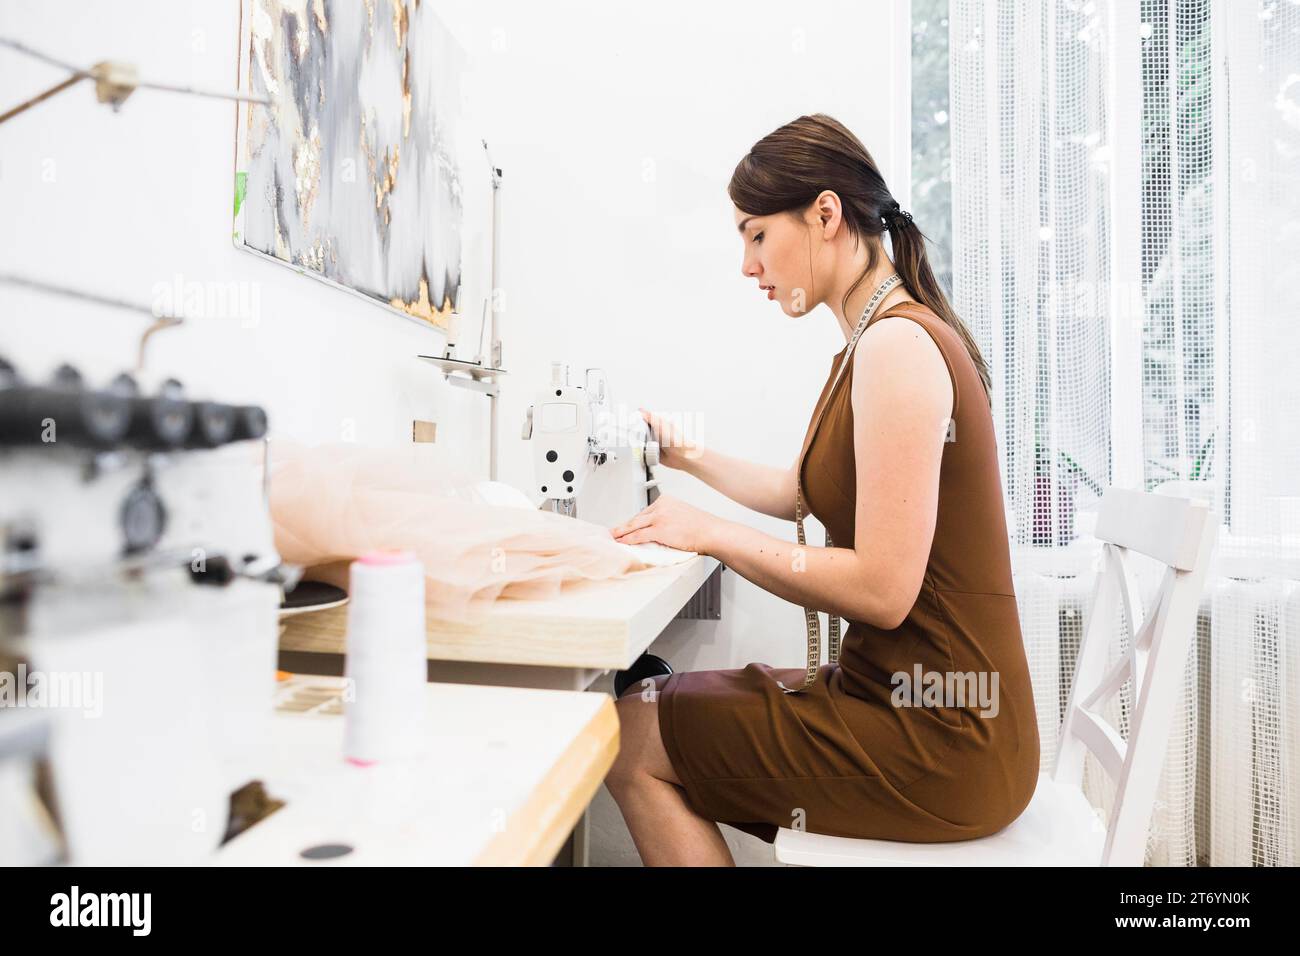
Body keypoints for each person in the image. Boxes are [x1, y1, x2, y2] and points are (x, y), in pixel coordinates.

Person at [604, 113, 1040, 866]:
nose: (748, 265)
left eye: (756, 234)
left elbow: (883, 591)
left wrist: (710, 533)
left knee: (630, 736)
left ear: (826, 214)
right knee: (649, 704)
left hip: (945, 737)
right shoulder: (871, 342)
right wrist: (685, 455)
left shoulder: (896, 347)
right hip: (905, 702)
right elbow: (800, 492)